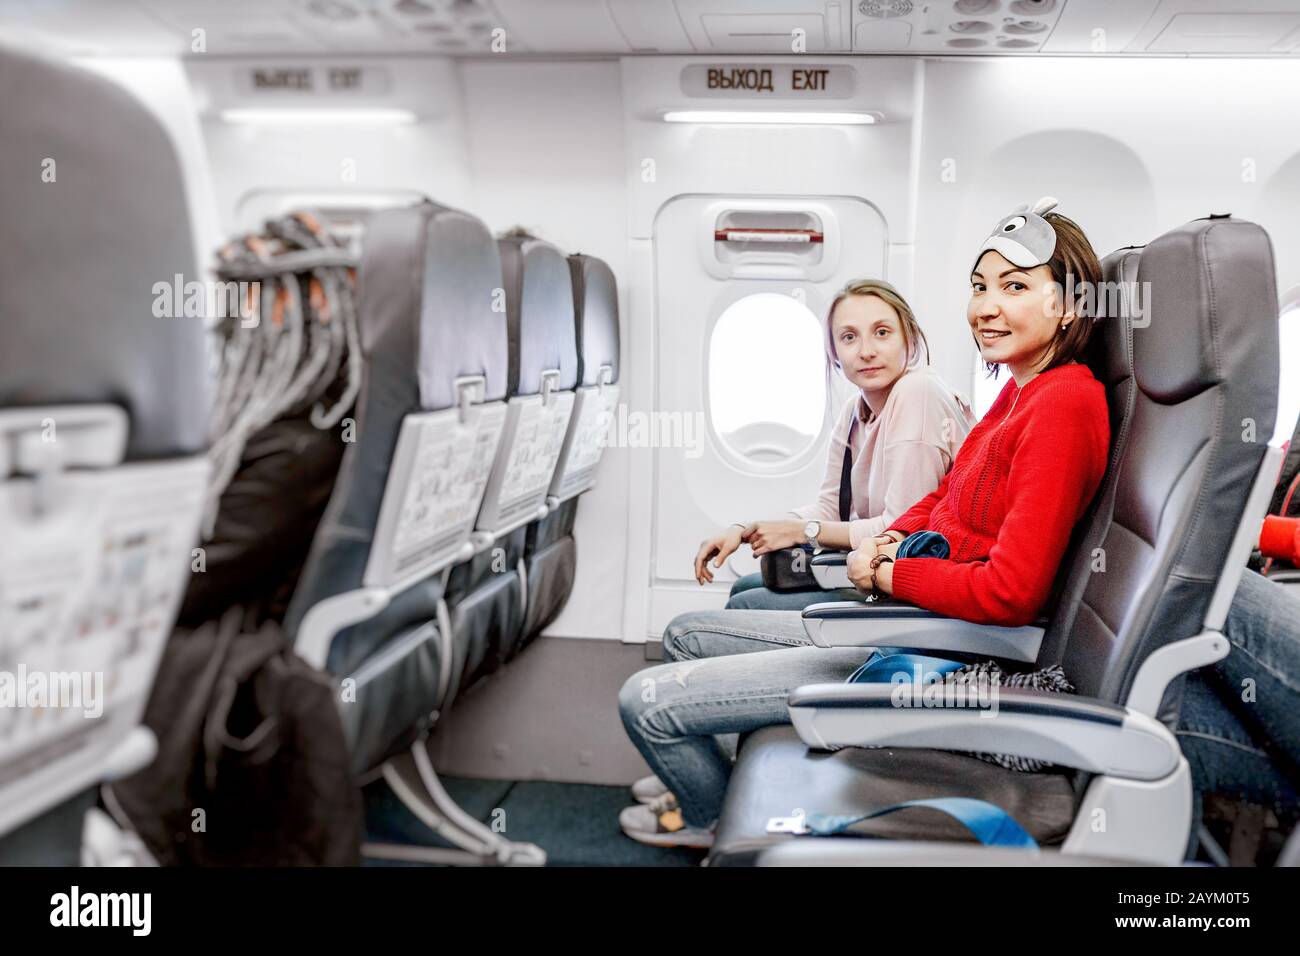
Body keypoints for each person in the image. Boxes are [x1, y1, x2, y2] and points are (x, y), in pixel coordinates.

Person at [619, 198, 1112, 847]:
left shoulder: (1064, 404)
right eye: (979, 287)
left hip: (942, 657)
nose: (986, 306)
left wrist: (886, 569)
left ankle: (718, 826)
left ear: (1069, 305)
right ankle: (717, 790)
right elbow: (939, 506)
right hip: (925, 632)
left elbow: (1012, 591)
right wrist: (892, 541)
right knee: (684, 641)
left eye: (1015, 287)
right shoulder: (1019, 395)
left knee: (645, 703)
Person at [692, 279, 974, 612]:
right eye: (849, 337)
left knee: (745, 606)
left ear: (909, 340)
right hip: (871, 566)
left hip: (916, 583)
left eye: (882, 332)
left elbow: (902, 527)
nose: (866, 350)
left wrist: (804, 531)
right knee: (744, 587)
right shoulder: (854, 413)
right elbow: (829, 507)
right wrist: (745, 529)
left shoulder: (918, 394)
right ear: (834, 353)